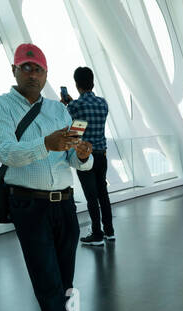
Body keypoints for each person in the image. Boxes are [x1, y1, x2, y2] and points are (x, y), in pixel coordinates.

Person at [0, 42, 93, 311]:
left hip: (64, 203)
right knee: (46, 279)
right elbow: (7, 153)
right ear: (15, 71)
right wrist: (45, 144)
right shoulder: (2, 106)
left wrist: (80, 154)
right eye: (26, 67)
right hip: (29, 204)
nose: (32, 73)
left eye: (38, 69)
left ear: (46, 74)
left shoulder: (59, 110)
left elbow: (77, 163)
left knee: (64, 279)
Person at [68, 66, 113, 247]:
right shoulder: (103, 103)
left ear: (77, 85)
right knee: (103, 193)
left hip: (86, 157)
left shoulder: (75, 106)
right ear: (92, 83)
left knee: (91, 196)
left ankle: (97, 234)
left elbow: (74, 131)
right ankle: (109, 231)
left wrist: (68, 106)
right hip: (102, 155)